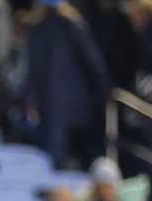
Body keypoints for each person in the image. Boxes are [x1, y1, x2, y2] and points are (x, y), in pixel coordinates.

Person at [18, 0, 111, 168]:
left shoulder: (38, 28)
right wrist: (102, 94)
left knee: (55, 162)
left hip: (50, 107)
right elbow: (95, 65)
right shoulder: (74, 24)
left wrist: (28, 100)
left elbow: (31, 71)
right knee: (80, 160)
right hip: (78, 106)